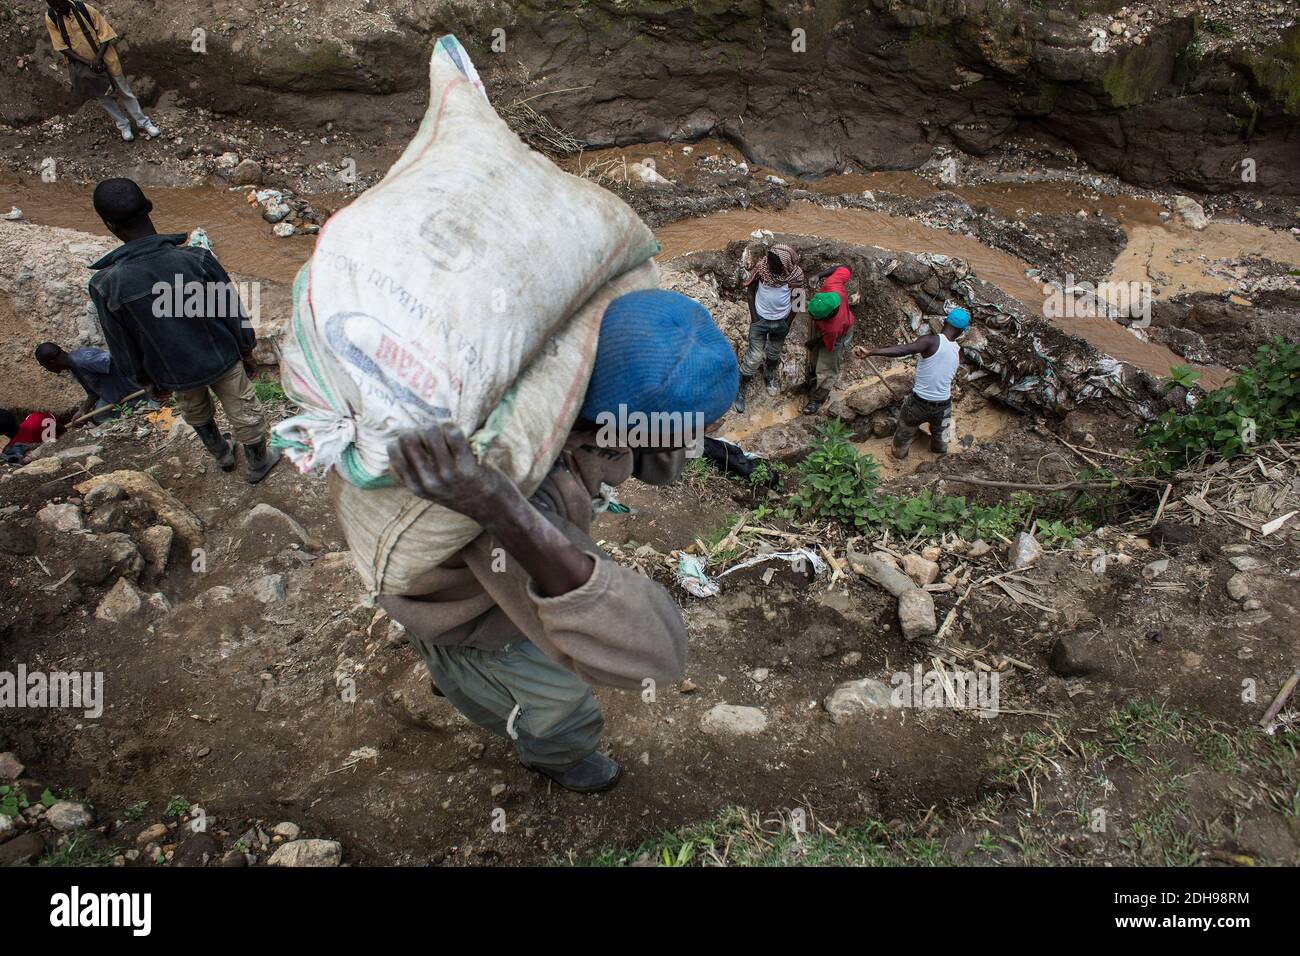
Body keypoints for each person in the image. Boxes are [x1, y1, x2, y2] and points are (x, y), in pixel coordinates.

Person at [383, 289, 739, 793]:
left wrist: (674, 428)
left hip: (490, 581)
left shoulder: (581, 391)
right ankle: (556, 757)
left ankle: (455, 680)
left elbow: (649, 447)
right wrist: (496, 505)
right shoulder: (508, 483)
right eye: (694, 431)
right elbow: (655, 652)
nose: (700, 439)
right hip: (468, 616)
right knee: (559, 705)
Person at [86, 177, 281, 483]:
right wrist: (246, 349)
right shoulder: (197, 259)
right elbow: (232, 311)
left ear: (109, 225)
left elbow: (121, 344)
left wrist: (145, 379)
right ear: (149, 207)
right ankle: (258, 462)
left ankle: (222, 454)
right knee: (244, 410)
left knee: (195, 410)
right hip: (221, 357)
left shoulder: (106, 285)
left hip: (172, 372)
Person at [861, 307, 971, 459]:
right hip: (943, 406)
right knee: (941, 442)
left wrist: (872, 351)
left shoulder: (930, 341)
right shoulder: (958, 351)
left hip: (917, 404)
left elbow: (903, 350)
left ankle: (899, 455)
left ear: (944, 322)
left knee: (903, 436)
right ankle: (938, 456)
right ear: (961, 331)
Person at [44, 1, 160, 143]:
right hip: (85, 67)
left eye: (59, 4)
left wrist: (98, 59)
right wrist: (88, 63)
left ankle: (143, 122)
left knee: (124, 91)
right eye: (53, 6)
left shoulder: (84, 9)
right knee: (104, 98)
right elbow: (61, 47)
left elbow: (106, 35)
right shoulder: (52, 17)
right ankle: (123, 125)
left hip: (106, 59)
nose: (58, 9)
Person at [735, 243, 804, 413]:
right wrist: (754, 318)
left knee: (774, 353)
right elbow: (750, 292)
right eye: (770, 264)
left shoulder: (795, 276)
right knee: (753, 357)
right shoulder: (762, 270)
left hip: (781, 322)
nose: (771, 268)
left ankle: (769, 376)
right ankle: (741, 388)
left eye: (776, 266)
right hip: (760, 320)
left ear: (785, 265)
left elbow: (798, 303)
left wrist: (787, 324)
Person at [35, 342, 142, 426]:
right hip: (115, 396)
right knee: (100, 417)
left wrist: (140, 385)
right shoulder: (74, 367)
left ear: (51, 362)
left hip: (132, 392)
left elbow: (119, 361)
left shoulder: (84, 360)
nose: (47, 370)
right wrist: (82, 410)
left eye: (45, 366)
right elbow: (93, 393)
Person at [801, 263, 856, 415]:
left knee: (826, 367)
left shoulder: (833, 328)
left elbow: (826, 344)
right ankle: (810, 383)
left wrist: (812, 343)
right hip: (824, 330)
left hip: (839, 335)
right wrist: (818, 275)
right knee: (813, 359)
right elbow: (846, 267)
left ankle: (817, 399)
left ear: (828, 315)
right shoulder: (831, 284)